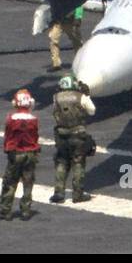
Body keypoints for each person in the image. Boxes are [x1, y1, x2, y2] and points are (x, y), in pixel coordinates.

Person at [50, 74, 95, 204]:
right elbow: (92, 110)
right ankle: (78, 194)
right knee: (78, 163)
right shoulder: (80, 96)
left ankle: (58, 193)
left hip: (61, 135)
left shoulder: (56, 97)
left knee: (61, 162)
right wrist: (87, 96)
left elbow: (55, 112)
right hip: (77, 134)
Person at [0, 88, 40, 220]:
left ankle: (6, 210)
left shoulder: (11, 118)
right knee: (28, 183)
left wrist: (7, 148)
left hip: (15, 154)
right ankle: (26, 210)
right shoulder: (34, 119)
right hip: (30, 153)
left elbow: (8, 135)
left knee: (10, 182)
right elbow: (35, 135)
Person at [47, 0, 86, 71]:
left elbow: (79, 4)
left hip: (70, 21)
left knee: (77, 42)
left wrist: (78, 17)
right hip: (58, 20)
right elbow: (51, 3)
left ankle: (80, 62)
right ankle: (56, 64)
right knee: (53, 39)